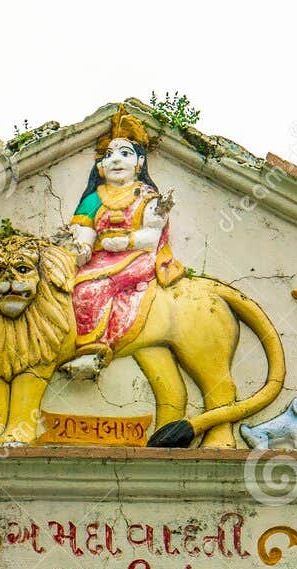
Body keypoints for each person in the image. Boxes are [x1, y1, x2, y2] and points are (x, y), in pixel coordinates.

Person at [58, 108, 183, 379]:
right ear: (101, 167)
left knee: (90, 288)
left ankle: (93, 350)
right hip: (99, 259)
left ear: (139, 162)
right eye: (108, 155)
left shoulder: (147, 197)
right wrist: (82, 247)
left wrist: (126, 240)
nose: (116, 160)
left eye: (125, 153)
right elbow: (85, 232)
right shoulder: (94, 199)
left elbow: (151, 239)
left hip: (138, 259)